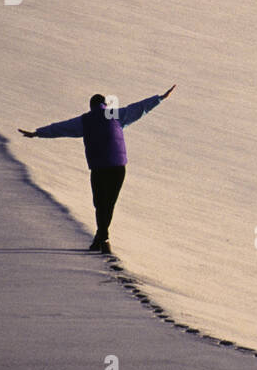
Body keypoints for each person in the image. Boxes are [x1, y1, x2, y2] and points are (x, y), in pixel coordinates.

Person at [20, 85, 175, 253]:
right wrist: (159, 98)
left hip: (99, 168)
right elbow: (138, 109)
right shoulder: (114, 115)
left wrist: (37, 133)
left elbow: (61, 128)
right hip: (118, 167)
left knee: (99, 203)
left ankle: (102, 238)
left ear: (91, 106)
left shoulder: (85, 120)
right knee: (108, 204)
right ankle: (101, 238)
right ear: (105, 104)